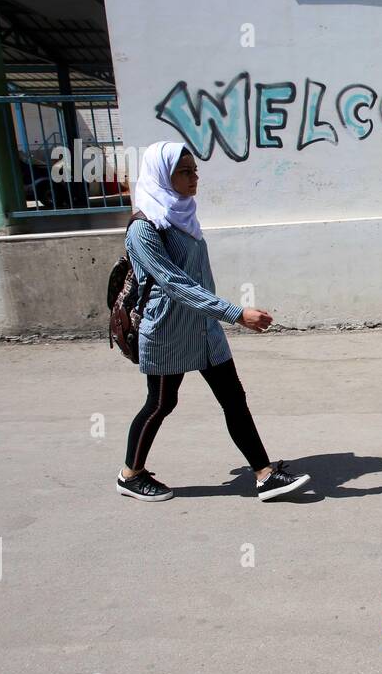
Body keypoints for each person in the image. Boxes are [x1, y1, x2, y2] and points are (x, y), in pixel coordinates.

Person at [117, 141, 310, 503]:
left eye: (195, 172)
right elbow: (175, 285)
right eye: (184, 172)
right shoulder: (144, 228)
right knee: (161, 403)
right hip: (168, 331)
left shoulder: (182, 214)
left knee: (233, 398)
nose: (194, 179)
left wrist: (219, 316)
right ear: (162, 174)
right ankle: (131, 474)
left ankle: (264, 474)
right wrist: (236, 313)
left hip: (205, 328)